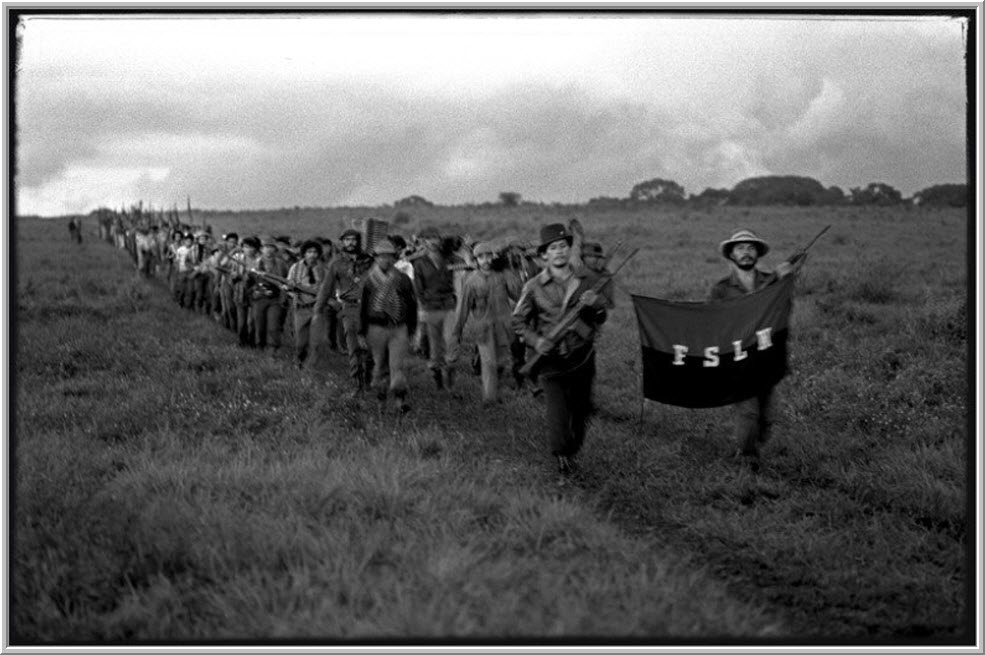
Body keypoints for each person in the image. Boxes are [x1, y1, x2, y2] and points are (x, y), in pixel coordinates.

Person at [512, 223, 608, 476]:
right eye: (553, 248)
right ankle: (562, 456)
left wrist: (596, 304)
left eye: (563, 246)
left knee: (581, 410)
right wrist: (536, 341)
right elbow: (518, 321)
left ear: (569, 250)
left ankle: (572, 448)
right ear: (544, 254)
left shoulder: (586, 281)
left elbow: (600, 317)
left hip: (581, 355)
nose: (559, 251)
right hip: (550, 358)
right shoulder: (533, 286)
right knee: (557, 411)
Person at [710, 228, 806, 470]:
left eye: (751, 248)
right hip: (738, 359)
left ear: (757, 254)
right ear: (731, 254)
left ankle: (752, 444)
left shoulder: (771, 280)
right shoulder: (721, 289)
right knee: (749, 412)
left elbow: (783, 309)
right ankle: (746, 460)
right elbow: (712, 323)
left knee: (766, 417)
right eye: (740, 248)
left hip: (766, 357)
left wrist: (786, 281)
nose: (746, 252)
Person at [453, 241, 523, 405]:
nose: (486, 260)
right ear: (476, 260)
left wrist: (510, 271)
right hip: (483, 328)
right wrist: (457, 331)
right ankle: (489, 399)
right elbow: (463, 308)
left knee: (500, 361)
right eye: (481, 257)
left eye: (489, 256)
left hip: (503, 326)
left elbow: (518, 295)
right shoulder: (471, 281)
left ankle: (496, 392)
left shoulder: (501, 275)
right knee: (488, 362)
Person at [359, 239, 418, 413]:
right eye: (381, 256)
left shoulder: (403, 279)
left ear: (394, 258)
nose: (385, 259)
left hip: (398, 327)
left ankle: (400, 401)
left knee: (397, 366)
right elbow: (363, 307)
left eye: (389, 256)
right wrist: (361, 332)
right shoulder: (369, 280)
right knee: (380, 366)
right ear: (376, 258)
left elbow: (411, 305)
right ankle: (381, 401)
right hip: (375, 328)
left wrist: (412, 329)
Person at [313, 228, 374, 395]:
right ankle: (357, 385)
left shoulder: (370, 261)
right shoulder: (337, 264)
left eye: (354, 239)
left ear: (359, 241)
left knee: (370, 348)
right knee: (354, 348)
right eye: (347, 240)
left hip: (370, 308)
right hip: (350, 309)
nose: (350, 243)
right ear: (342, 242)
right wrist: (318, 310)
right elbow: (326, 289)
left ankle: (368, 380)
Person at [412, 226, 460, 390]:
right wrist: (423, 305)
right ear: (423, 242)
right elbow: (418, 288)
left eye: (435, 238)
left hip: (448, 305)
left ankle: (451, 375)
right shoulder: (419, 262)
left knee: (451, 341)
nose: (432, 242)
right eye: (428, 239)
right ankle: (438, 379)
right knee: (435, 345)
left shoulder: (450, 258)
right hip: (430, 307)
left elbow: (466, 262)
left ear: (440, 240)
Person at [286, 239, 325, 369]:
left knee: (316, 340)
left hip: (317, 308)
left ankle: (311, 366)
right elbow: (288, 286)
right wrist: (292, 288)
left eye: (315, 252)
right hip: (301, 308)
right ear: (304, 253)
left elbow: (328, 287)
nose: (312, 255)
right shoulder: (295, 268)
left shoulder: (323, 269)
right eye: (309, 252)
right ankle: (298, 360)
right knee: (300, 341)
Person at [250, 236, 289, 353]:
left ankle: (273, 349)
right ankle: (260, 347)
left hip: (275, 299)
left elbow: (286, 281)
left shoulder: (281, 264)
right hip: (259, 298)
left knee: (274, 325)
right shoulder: (255, 263)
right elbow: (248, 282)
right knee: (260, 325)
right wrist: (256, 291)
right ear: (261, 249)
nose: (268, 250)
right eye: (266, 247)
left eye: (271, 247)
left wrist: (283, 296)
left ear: (275, 249)